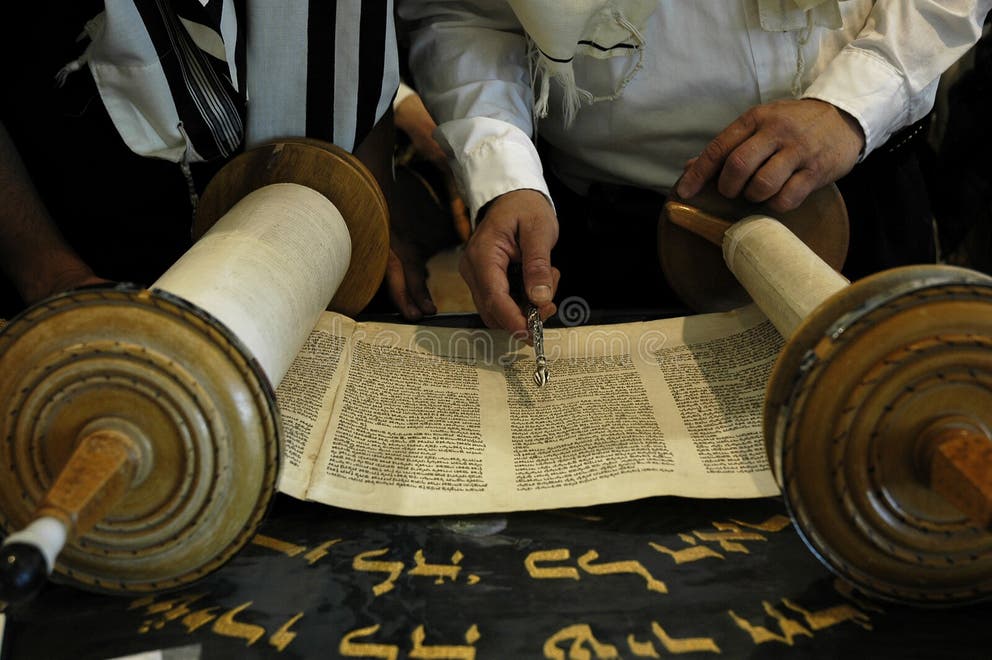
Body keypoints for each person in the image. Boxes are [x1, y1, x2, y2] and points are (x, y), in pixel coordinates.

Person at [399, 1, 992, 334]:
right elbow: (465, 15)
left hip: (859, 198)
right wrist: (504, 176)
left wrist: (860, 98)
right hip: (610, 235)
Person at [0, 1, 438, 321]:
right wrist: (51, 275)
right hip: (82, 210)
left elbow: (356, 27)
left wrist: (372, 193)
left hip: (321, 205)